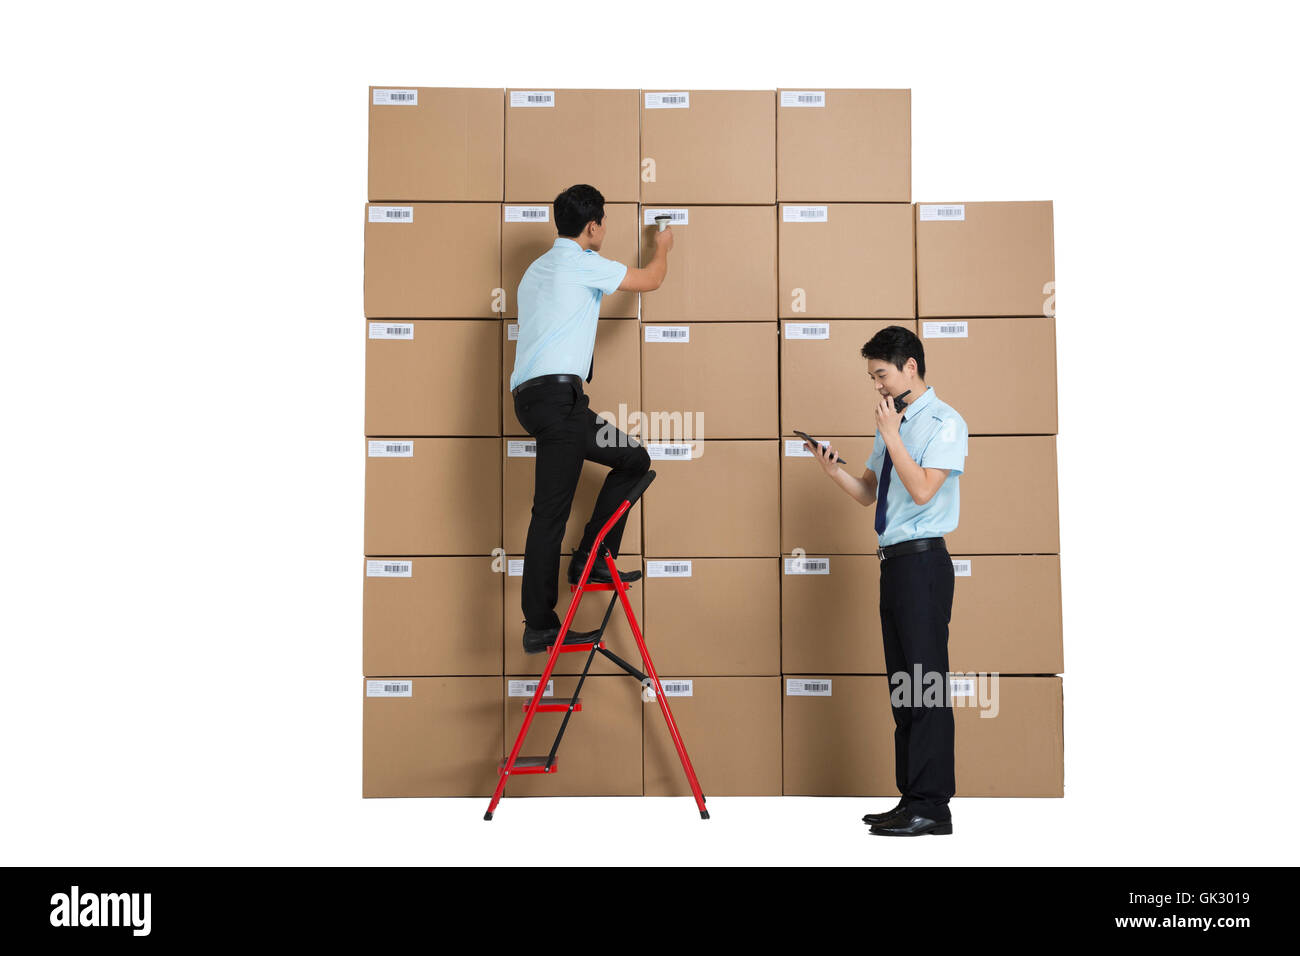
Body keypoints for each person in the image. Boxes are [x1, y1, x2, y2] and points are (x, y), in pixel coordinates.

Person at [803, 325, 969, 836]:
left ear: (910, 367)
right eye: (873, 376)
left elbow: (920, 491)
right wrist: (833, 472)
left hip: (923, 564)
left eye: (881, 374)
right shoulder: (889, 422)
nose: (876, 385)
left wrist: (893, 435)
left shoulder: (946, 422)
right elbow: (870, 492)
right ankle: (911, 798)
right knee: (903, 686)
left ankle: (933, 808)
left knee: (926, 685)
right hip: (893, 563)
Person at [510, 184, 673, 655]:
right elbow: (651, 280)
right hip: (558, 404)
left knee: (633, 459)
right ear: (593, 226)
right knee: (549, 515)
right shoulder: (581, 264)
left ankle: (593, 559)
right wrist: (662, 246)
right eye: (603, 223)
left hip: (545, 401)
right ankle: (541, 623)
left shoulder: (535, 270)